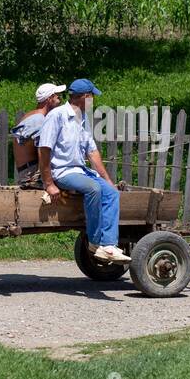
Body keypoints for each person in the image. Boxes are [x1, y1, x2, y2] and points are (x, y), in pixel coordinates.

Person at [37, 78, 130, 264]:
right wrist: (49, 184)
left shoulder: (83, 118)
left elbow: (92, 152)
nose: (93, 100)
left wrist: (108, 180)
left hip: (80, 170)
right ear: (85, 97)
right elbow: (44, 150)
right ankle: (95, 243)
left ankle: (109, 246)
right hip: (62, 172)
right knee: (93, 188)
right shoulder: (57, 116)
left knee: (111, 192)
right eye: (92, 96)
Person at [11, 83, 66, 188]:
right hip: (31, 176)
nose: (60, 99)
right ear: (49, 99)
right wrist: (47, 181)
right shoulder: (39, 120)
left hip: (28, 172)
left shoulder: (34, 115)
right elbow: (43, 151)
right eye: (57, 96)